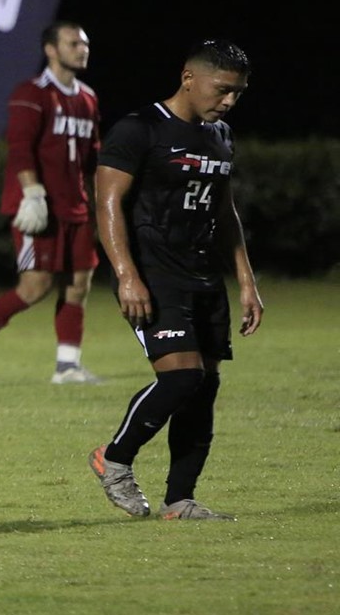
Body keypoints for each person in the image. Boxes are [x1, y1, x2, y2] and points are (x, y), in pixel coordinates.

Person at [86, 40, 261, 522]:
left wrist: (246, 281)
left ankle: (179, 500)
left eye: (238, 93)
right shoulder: (139, 129)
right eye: (222, 89)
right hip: (153, 274)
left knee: (203, 387)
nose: (228, 101)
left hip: (203, 274)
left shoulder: (220, 135)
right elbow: (107, 203)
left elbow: (225, 213)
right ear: (189, 78)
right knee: (182, 376)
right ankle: (114, 458)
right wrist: (126, 276)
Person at [0, 22, 104, 384]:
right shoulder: (31, 92)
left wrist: (98, 205)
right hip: (40, 208)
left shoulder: (87, 98)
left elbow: (91, 158)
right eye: (72, 44)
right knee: (35, 286)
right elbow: (19, 149)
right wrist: (33, 193)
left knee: (79, 282)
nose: (82, 49)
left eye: (84, 44)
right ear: (51, 50)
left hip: (76, 206)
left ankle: (67, 366)